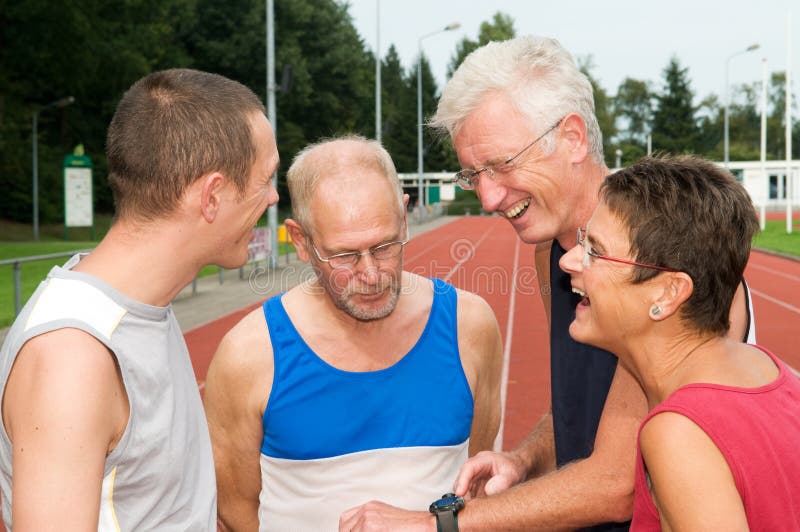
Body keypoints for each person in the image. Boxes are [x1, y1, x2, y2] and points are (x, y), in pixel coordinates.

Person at [341, 36, 755, 531]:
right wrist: (524, 459)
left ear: (573, 137)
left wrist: (435, 524)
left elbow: (617, 484)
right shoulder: (553, 254)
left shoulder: (659, 258)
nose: (490, 197)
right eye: (474, 175)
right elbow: (579, 406)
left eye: (502, 164)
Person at [0, 68, 279, 530]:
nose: (273, 198)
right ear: (212, 195)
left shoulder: (138, 308)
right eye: (265, 178)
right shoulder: (73, 358)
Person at [203, 135, 503, 531]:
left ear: (405, 217)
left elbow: (474, 483)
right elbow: (236, 511)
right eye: (345, 255)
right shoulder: (249, 355)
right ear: (301, 242)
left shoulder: (470, 327)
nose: (371, 274)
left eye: (385, 246)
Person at [560, 155, 800, 530]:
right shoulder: (769, 371)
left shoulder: (679, 434)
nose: (569, 261)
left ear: (668, 293)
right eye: (581, 240)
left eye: (595, 249)